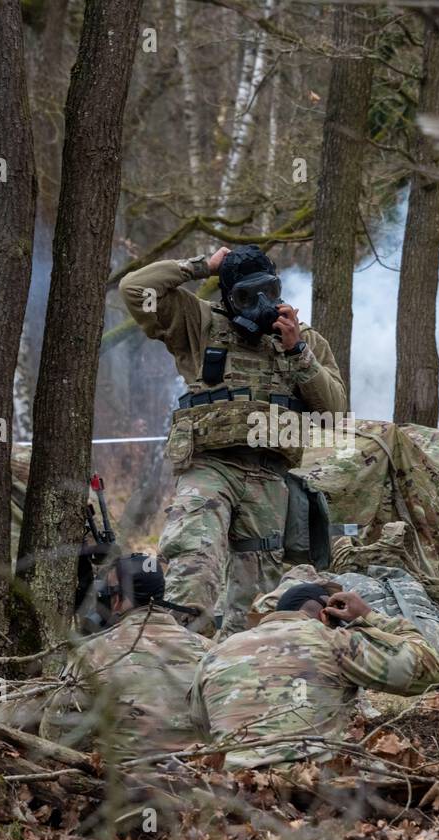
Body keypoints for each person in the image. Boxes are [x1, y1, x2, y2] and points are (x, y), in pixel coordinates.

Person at [119, 245, 348, 637]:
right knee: (193, 553)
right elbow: (134, 288)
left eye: (269, 292)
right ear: (226, 296)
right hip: (211, 467)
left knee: (257, 586)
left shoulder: (303, 339)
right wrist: (200, 267)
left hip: (269, 476)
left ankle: (235, 669)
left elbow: (335, 410)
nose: (260, 303)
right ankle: (180, 651)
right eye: (245, 296)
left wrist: (298, 352)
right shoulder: (200, 321)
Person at [190, 584, 439, 770]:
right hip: (313, 786)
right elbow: (430, 670)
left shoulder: (216, 652)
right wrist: (368, 616)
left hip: (234, 787)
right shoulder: (330, 640)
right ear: (326, 615)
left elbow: (202, 728)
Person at [39, 554, 209, 763]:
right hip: (199, 775)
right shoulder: (209, 650)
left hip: (120, 779)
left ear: (117, 599)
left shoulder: (93, 653)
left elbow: (56, 736)